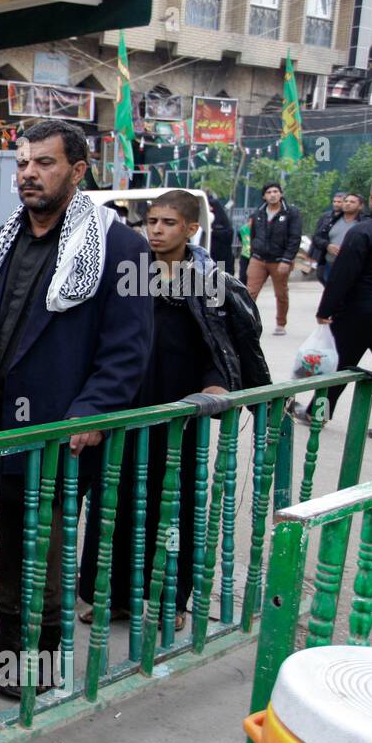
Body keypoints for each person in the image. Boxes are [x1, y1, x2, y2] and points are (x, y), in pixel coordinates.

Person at [0, 119, 152, 697]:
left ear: (78, 171)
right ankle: (6, 659)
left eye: (45, 163)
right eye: (23, 164)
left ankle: (41, 666)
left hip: (57, 436)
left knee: (44, 555)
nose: (29, 174)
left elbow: (128, 352)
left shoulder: (120, 246)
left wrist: (90, 411)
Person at [80, 191, 269, 630]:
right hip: (126, 410)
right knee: (115, 503)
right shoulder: (127, 274)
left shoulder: (207, 281)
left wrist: (216, 382)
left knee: (175, 506)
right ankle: (112, 596)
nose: (158, 230)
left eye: (168, 223)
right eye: (152, 222)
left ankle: (172, 599)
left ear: (190, 229)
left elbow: (219, 344)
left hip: (179, 414)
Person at [295, 211, 372, 435]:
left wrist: (325, 309)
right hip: (362, 309)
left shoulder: (362, 232)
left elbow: (343, 275)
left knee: (336, 368)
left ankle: (316, 414)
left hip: (359, 312)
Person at [245, 181, 301, 336]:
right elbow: (253, 235)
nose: (273, 194)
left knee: (281, 293)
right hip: (258, 258)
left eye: (276, 191)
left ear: (281, 194)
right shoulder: (258, 213)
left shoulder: (291, 212)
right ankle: (246, 322)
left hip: (280, 260)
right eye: (269, 192)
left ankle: (280, 323)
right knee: (250, 292)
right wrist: (253, 254)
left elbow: (295, 238)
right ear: (264, 196)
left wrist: (287, 259)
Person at [308, 191, 345, 285]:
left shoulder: (348, 219)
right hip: (324, 253)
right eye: (334, 201)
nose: (336, 204)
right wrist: (311, 255)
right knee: (321, 276)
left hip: (340, 256)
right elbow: (316, 236)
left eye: (339, 202)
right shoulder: (325, 217)